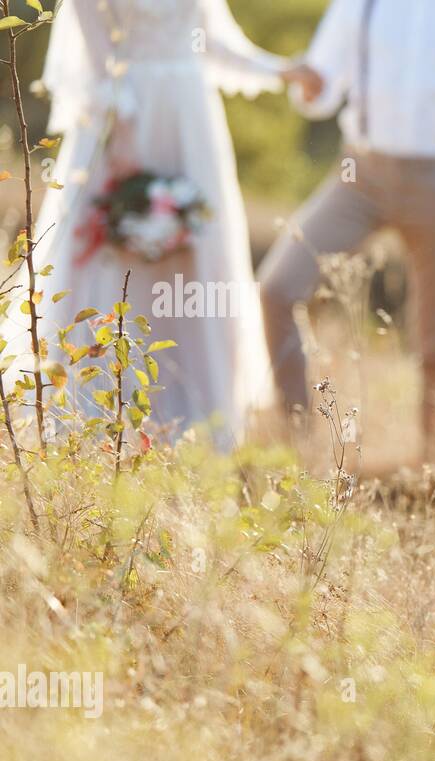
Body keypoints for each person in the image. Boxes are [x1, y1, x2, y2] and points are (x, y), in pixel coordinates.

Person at [7, 0, 316, 447]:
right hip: (124, 122)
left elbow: (214, 42)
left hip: (190, 120)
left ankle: (198, 413)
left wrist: (281, 70)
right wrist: (123, 139)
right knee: (117, 257)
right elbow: (99, 61)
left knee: (193, 258)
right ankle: (99, 407)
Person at [258, 0, 435, 458]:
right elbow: (323, 86)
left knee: (434, 344)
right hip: (358, 176)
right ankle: (295, 447)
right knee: (277, 289)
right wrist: (309, 89)